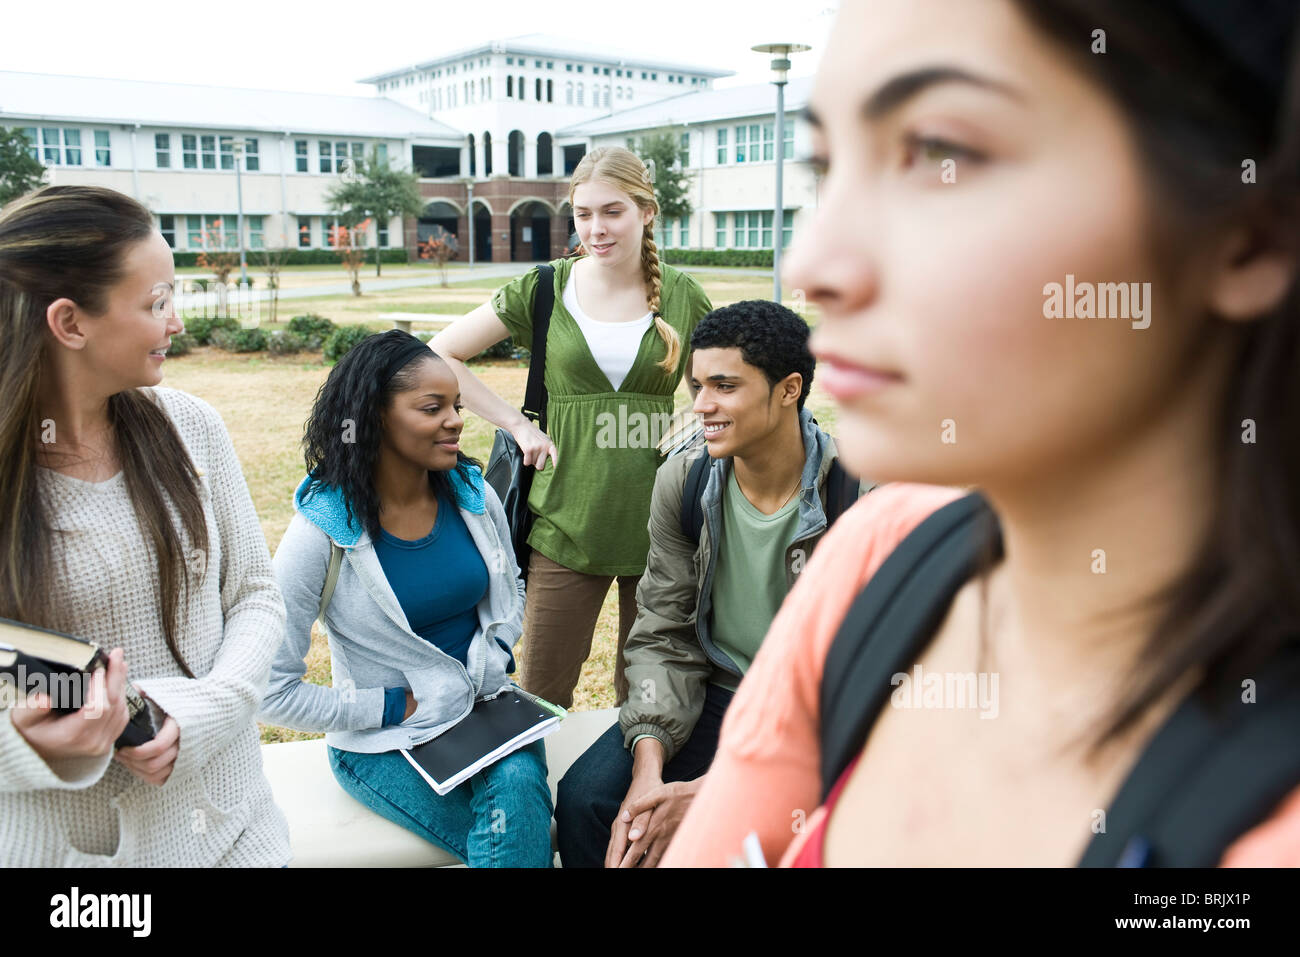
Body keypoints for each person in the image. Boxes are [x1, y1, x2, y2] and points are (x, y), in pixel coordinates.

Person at [663, 0, 1300, 867]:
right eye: (824, 164)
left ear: (1248, 236)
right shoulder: (882, 556)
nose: (814, 263)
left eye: (940, 153)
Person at [0, 185, 291, 866]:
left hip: (234, 838)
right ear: (70, 323)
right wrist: (28, 743)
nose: (177, 323)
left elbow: (255, 593)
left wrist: (203, 712)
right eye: (157, 302)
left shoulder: (192, 428)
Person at [555, 300, 863, 867]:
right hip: (716, 693)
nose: (701, 407)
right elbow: (662, 632)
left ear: (790, 389)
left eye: (724, 386)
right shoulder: (685, 479)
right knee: (590, 803)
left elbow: (864, 680)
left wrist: (718, 791)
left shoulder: (858, 496)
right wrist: (648, 770)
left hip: (811, 716)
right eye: (696, 385)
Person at [430, 147, 714, 710]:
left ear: (646, 212)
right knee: (540, 690)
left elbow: (714, 393)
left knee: (652, 696)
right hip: (565, 519)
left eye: (612, 211)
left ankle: (632, 795)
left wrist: (694, 424)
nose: (596, 228)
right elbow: (440, 356)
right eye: (583, 214)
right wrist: (516, 424)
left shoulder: (684, 295)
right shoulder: (542, 289)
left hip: (664, 526)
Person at [258, 330, 553, 868]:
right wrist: (395, 705)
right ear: (373, 417)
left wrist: (497, 651)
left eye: (457, 405)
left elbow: (510, 585)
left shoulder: (472, 494)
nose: (457, 421)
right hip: (385, 743)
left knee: (516, 784)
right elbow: (269, 689)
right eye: (432, 407)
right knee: (516, 826)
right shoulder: (322, 531)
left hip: (487, 713)